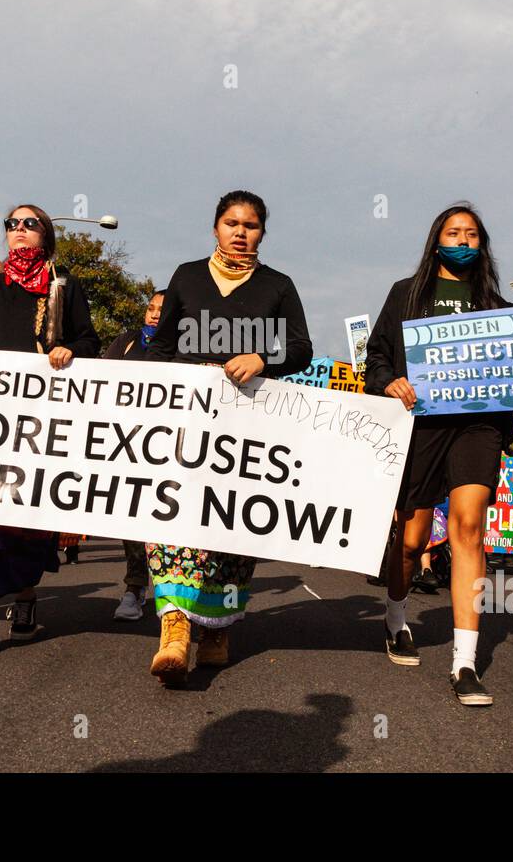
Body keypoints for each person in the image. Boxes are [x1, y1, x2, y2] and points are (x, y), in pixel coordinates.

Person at [365, 202, 513, 705]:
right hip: (420, 426)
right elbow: (375, 359)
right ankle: (396, 615)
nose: (463, 241)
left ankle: (464, 663)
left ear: (482, 244)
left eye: (472, 235)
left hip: (479, 425)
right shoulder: (405, 295)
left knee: (469, 526)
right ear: (436, 240)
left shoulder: (499, 306)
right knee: (412, 538)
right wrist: (390, 382)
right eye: (454, 232)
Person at [143, 189, 312, 687]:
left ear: (262, 232)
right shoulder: (186, 277)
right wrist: (183, 375)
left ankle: (218, 628)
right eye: (232, 222)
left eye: (252, 224)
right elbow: (162, 346)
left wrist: (264, 359)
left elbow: (301, 347)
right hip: (186, 419)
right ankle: (173, 627)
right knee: (172, 511)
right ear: (215, 227)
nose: (241, 232)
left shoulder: (277, 286)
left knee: (231, 524)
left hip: (249, 427)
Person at [0, 204, 100, 666]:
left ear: (45, 235)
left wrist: (70, 350)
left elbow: (89, 340)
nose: (19, 230)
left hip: (41, 420)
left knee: (27, 517)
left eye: (29, 224)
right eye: (12, 224)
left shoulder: (65, 286)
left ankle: (25, 596)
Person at [102, 288, 165, 620]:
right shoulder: (127, 342)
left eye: (161, 310)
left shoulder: (184, 348)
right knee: (133, 519)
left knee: (165, 521)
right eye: (150, 308)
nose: (154, 314)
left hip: (169, 448)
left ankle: (172, 589)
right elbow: (101, 380)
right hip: (127, 444)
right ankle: (136, 587)